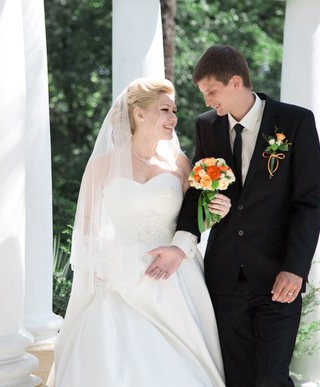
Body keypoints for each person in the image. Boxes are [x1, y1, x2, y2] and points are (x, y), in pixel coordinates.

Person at [148, 45, 320, 385]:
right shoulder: (207, 126)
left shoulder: (295, 121)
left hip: (278, 276)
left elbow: (309, 202)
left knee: (272, 378)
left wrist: (295, 268)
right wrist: (181, 245)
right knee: (236, 378)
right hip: (225, 277)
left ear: (235, 82)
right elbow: (198, 191)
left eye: (211, 91)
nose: (207, 101)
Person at [53, 78, 229, 387]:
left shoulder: (181, 164)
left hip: (175, 276)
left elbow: (193, 220)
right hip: (118, 277)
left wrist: (215, 212)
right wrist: (97, 267)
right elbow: (87, 223)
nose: (173, 118)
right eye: (165, 110)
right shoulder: (102, 165)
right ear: (139, 113)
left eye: (174, 111)